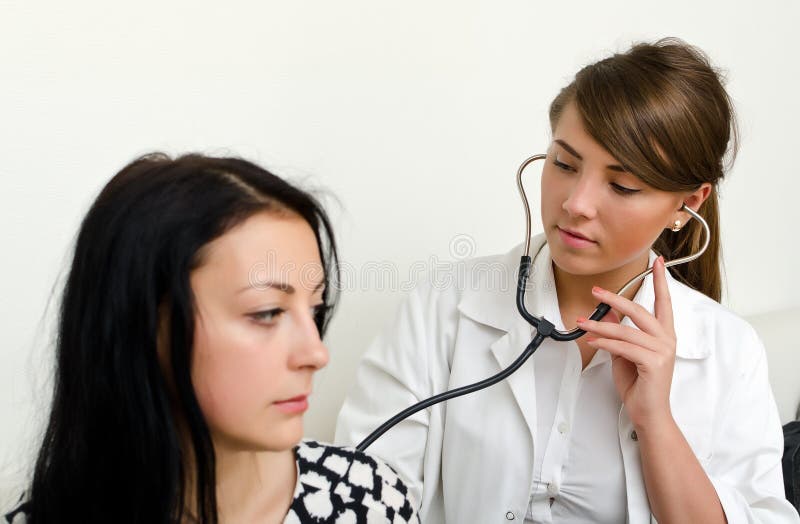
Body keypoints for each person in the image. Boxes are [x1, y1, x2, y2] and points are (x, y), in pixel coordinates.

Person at [335, 38, 800, 523]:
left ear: (688, 205)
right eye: (564, 164)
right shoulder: (445, 305)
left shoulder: (729, 351)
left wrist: (655, 421)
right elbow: (363, 488)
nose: (576, 202)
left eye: (622, 186)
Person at [5, 154, 419, 524]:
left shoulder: (368, 501)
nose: (316, 353)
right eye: (267, 312)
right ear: (144, 326)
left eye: (315, 310)